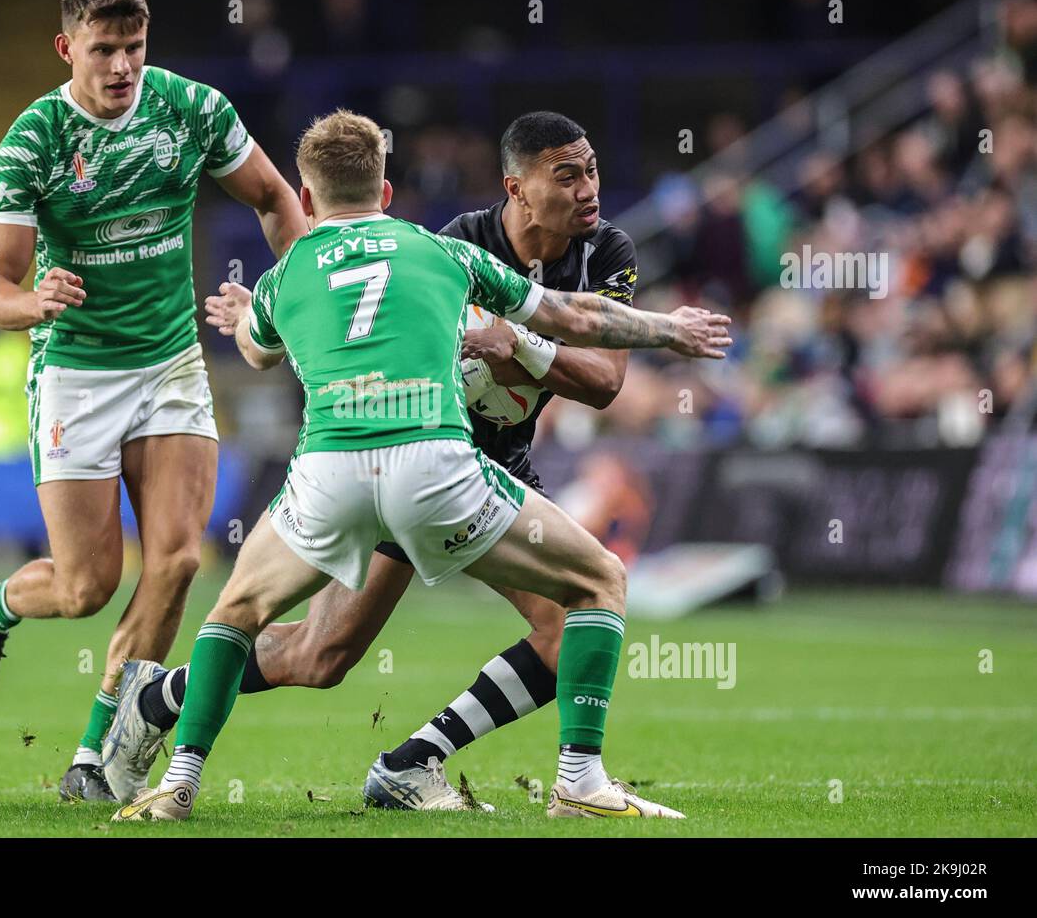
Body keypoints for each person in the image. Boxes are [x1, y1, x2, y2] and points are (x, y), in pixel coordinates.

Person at [108, 109, 730, 823]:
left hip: (375, 461)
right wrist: (667, 330)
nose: (588, 187)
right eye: (567, 174)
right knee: (323, 656)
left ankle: (368, 762)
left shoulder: (298, 269)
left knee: (243, 610)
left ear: (307, 204)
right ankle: (576, 782)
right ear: (512, 188)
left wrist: (263, 320)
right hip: (442, 463)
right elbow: (574, 319)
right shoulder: (451, 248)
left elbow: (604, 382)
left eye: (590, 170)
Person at [0, 0, 306, 801]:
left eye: (133, 49)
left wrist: (296, 296)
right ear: (67, 48)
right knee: (85, 588)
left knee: (177, 559)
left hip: (171, 362)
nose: (120, 68)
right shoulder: (33, 138)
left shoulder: (192, 110)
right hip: (76, 374)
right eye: (102, 50)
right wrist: (31, 300)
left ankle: (100, 750)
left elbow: (276, 197)